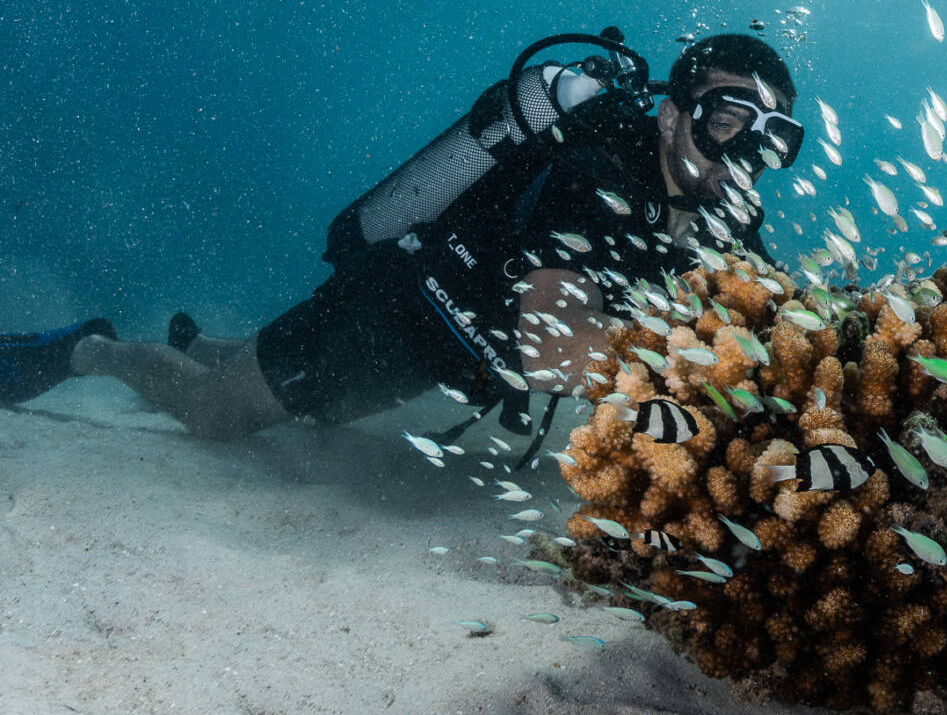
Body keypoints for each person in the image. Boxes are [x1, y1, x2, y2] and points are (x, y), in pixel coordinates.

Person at [0, 31, 804, 453]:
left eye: (771, 140)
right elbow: (553, 352)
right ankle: (92, 350)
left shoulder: (727, 221)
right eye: (725, 121)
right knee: (219, 418)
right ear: (673, 115)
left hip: (458, 354)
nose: (741, 156)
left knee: (316, 415)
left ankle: (207, 340)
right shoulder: (592, 177)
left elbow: (780, 325)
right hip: (400, 310)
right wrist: (698, 370)